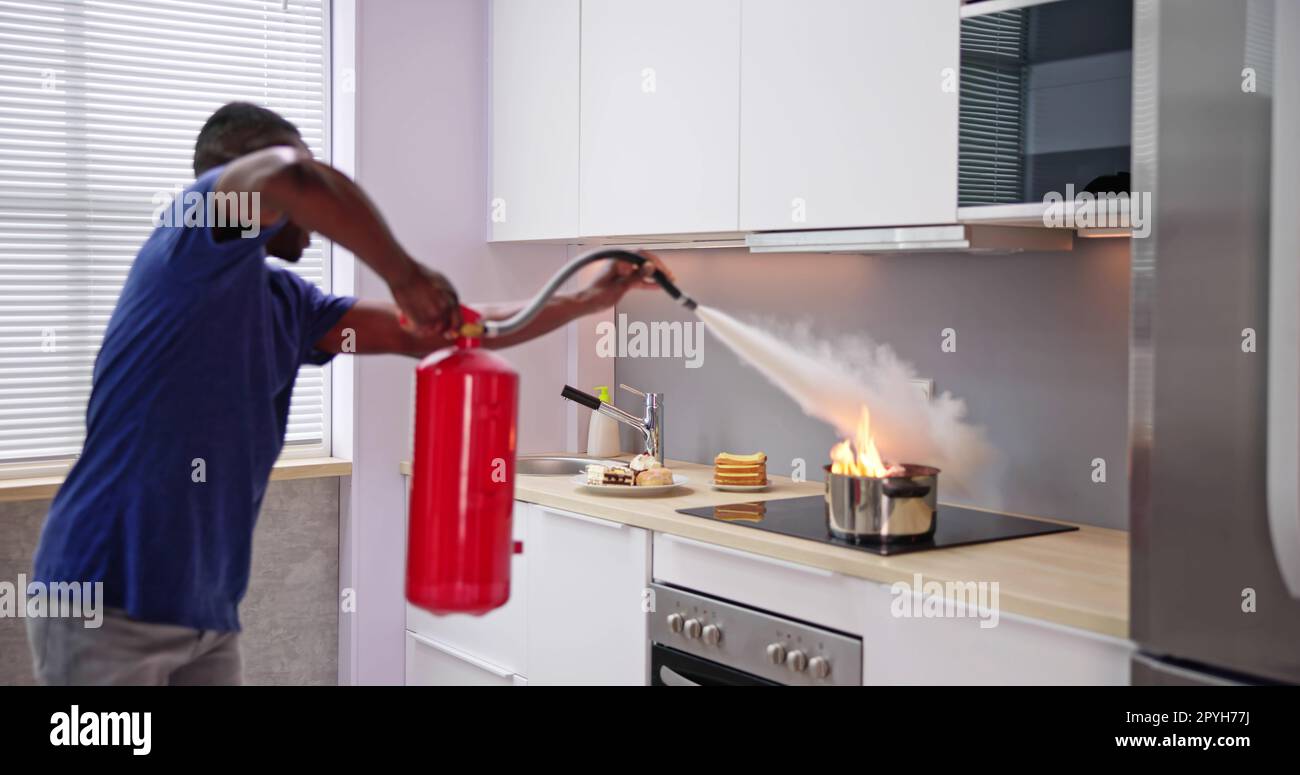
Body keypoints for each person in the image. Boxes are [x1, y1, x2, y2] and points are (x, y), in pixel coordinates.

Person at [27, 102, 671, 685]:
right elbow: (287, 178)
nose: (313, 200)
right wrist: (405, 272)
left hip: (205, 613)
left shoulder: (290, 305)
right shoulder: (186, 243)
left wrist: (591, 297)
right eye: (303, 178)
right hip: (103, 597)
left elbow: (453, 330)